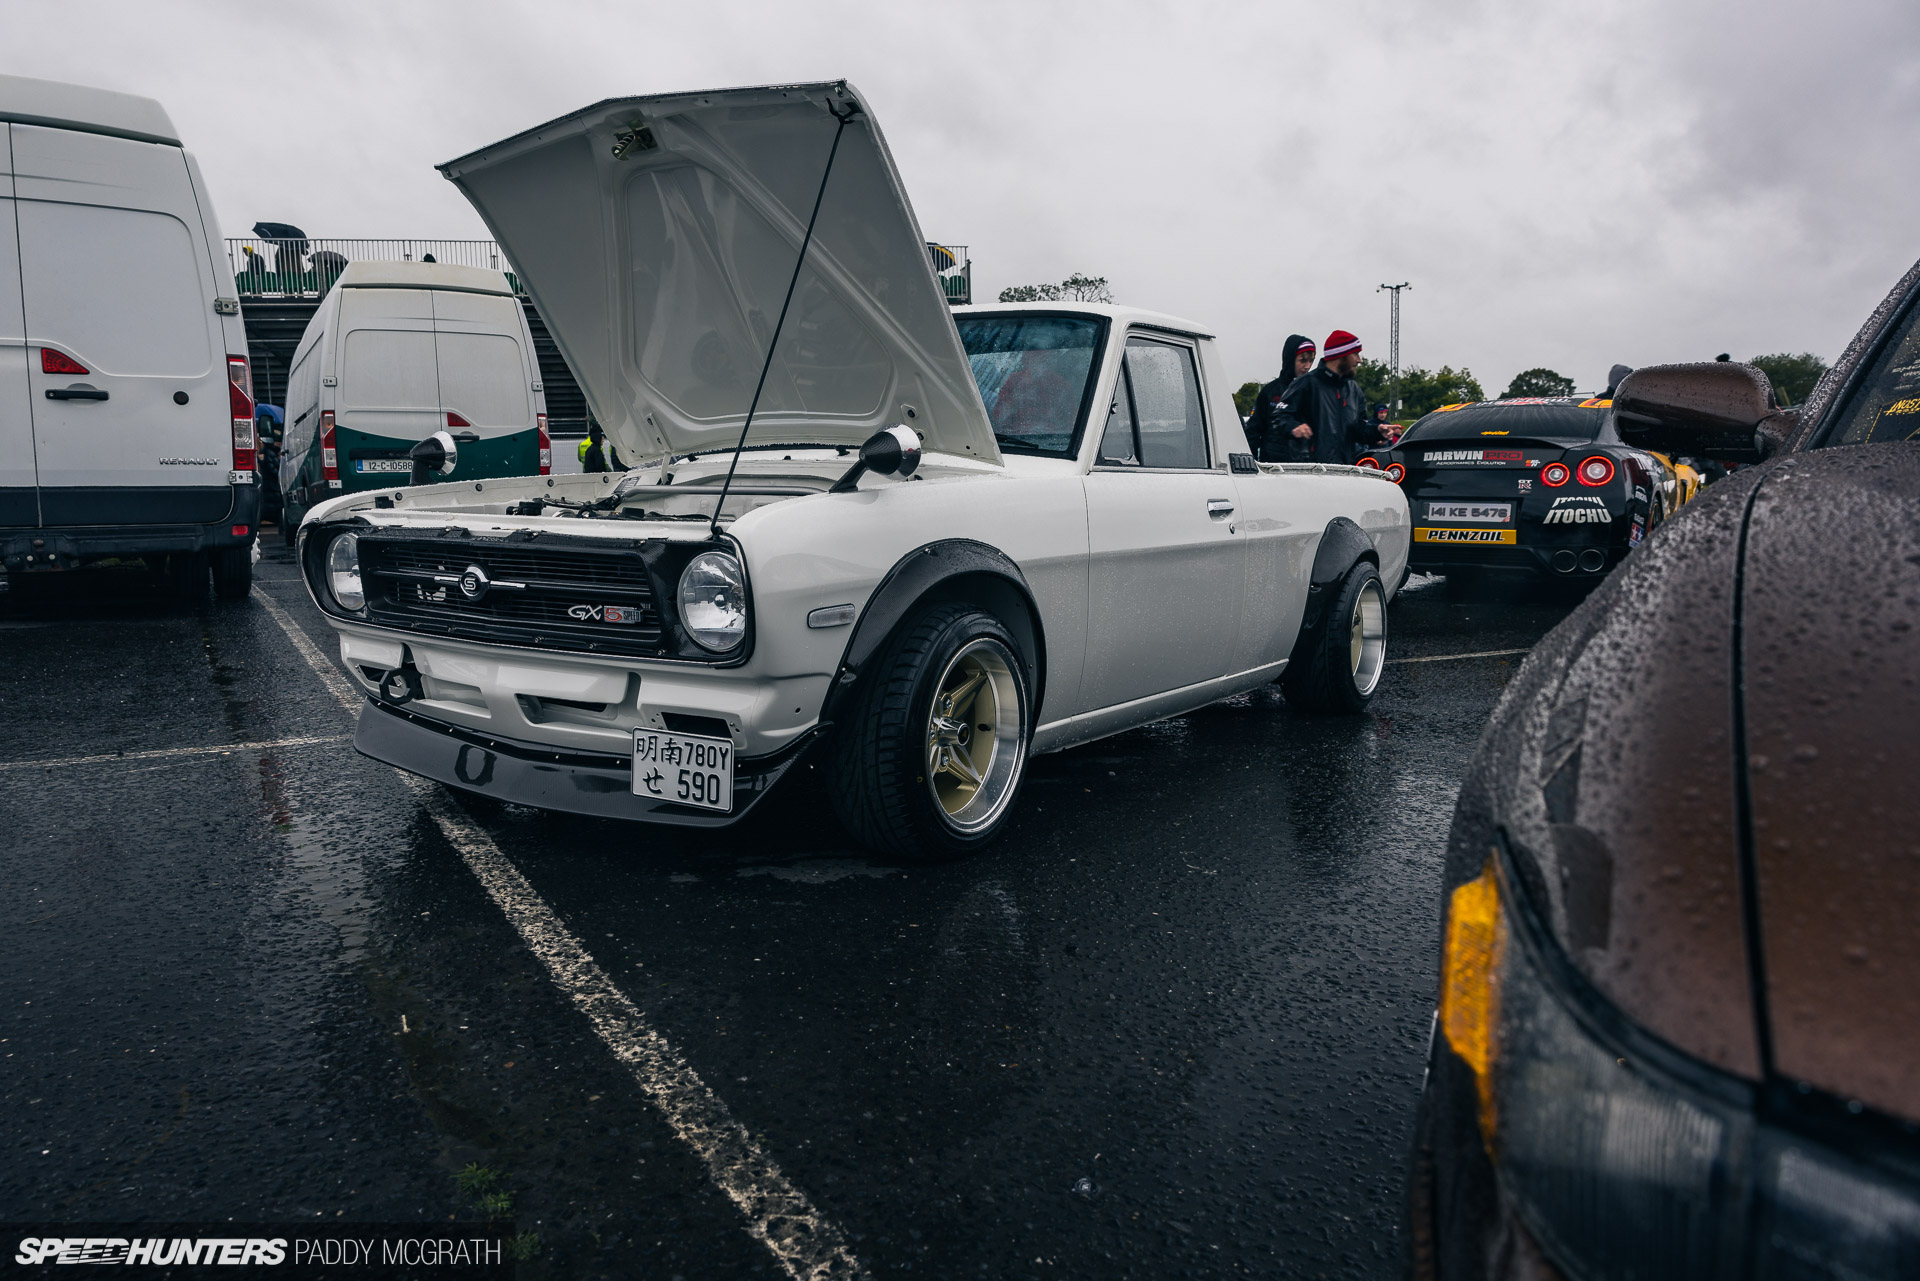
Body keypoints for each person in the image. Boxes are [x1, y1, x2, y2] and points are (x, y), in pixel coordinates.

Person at [1273, 330, 1383, 465]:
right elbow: (1279, 416)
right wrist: (1293, 427)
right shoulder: (1305, 384)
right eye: (1355, 354)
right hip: (1310, 472)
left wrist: (1378, 431)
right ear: (1340, 356)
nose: (1359, 360)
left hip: (1345, 471)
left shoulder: (1354, 390)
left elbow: (1359, 430)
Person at [1245, 335, 1316, 461]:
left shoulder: (1315, 391)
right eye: (1303, 360)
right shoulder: (1270, 392)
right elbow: (1253, 432)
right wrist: (1252, 464)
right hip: (1274, 468)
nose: (1307, 366)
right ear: (1290, 359)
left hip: (1308, 467)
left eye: (1311, 361)